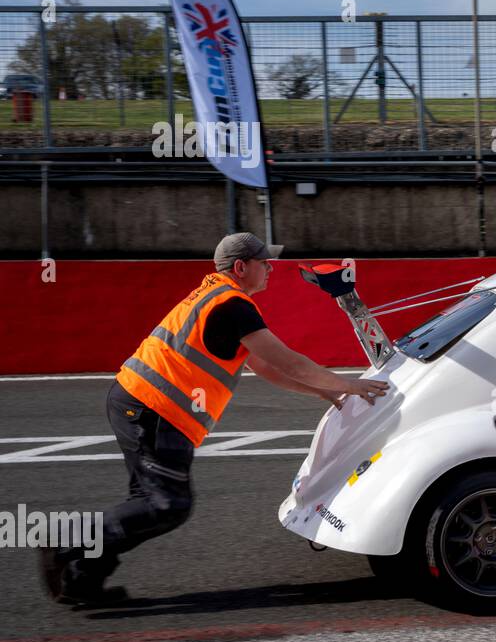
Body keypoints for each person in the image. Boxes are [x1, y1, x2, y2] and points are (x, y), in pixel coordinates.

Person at [39, 232, 390, 607]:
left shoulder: (217, 296)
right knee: (165, 505)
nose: (270, 268)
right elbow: (288, 361)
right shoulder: (233, 305)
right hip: (153, 410)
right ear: (241, 267)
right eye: (263, 262)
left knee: (147, 499)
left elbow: (267, 368)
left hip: (138, 402)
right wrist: (349, 384)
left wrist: (322, 391)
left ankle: (81, 580)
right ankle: (66, 540)